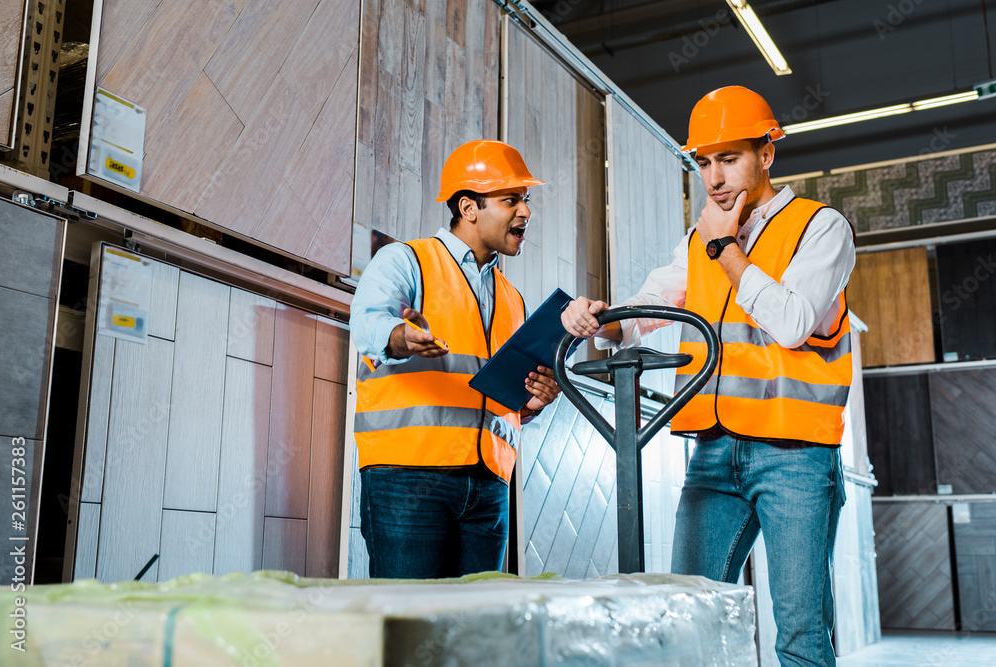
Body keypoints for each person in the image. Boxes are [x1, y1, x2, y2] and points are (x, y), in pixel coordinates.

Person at [561, 86, 856, 666]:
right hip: (713, 454)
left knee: (799, 634)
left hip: (794, 456)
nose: (715, 178)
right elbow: (648, 308)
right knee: (688, 616)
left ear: (766, 154)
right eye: (703, 162)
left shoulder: (820, 229)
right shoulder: (699, 243)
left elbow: (793, 322)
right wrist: (600, 320)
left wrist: (728, 250)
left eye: (729, 158)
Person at [351, 139, 561, 579]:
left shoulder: (513, 299)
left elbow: (498, 395)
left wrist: (533, 403)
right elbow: (367, 326)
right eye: (511, 199)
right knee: (411, 625)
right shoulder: (406, 261)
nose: (525, 212)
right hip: (407, 477)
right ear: (468, 207)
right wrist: (399, 337)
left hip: (488, 484)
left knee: (473, 631)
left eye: (526, 200)